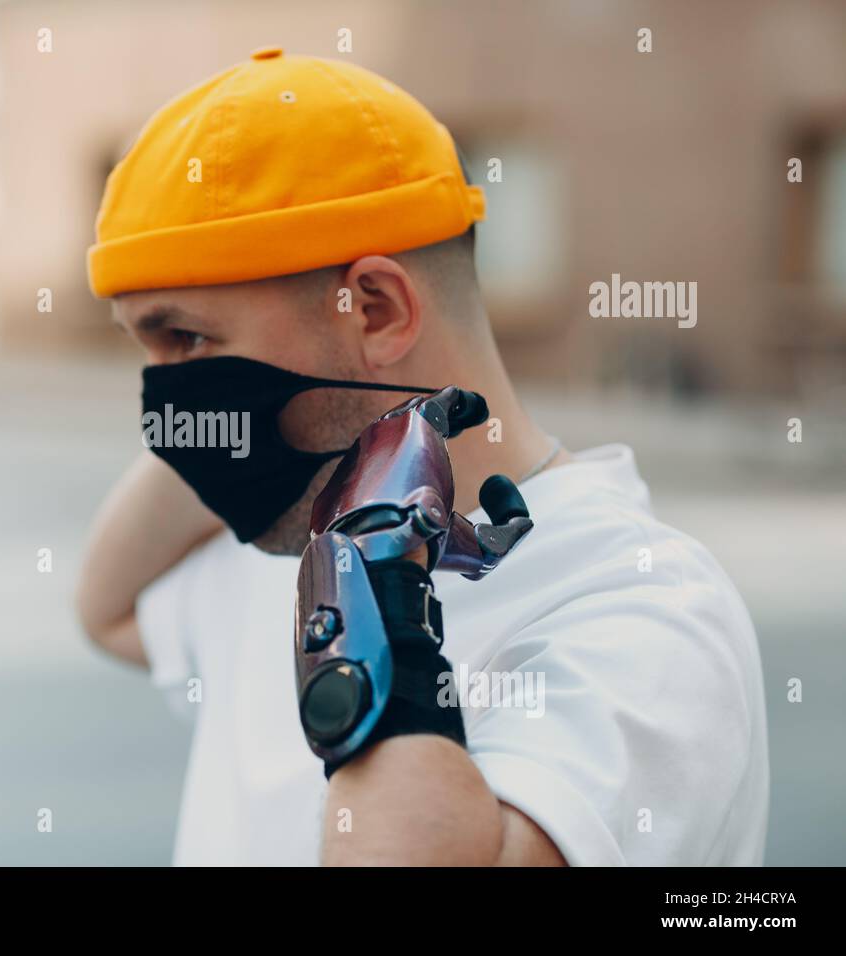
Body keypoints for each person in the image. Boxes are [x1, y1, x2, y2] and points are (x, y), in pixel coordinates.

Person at [75, 48, 768, 866]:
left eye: (186, 336)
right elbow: (109, 611)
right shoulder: (292, 540)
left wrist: (375, 592)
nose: (165, 405)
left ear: (373, 308)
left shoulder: (642, 613)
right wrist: (216, 419)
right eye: (146, 353)